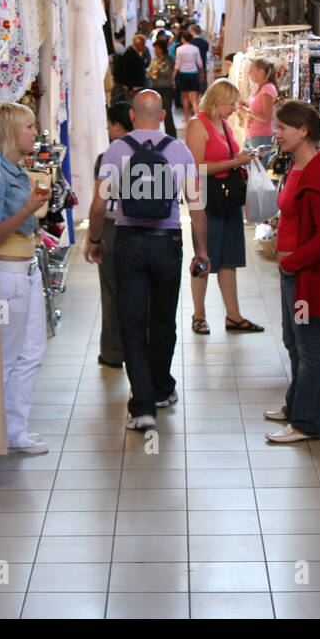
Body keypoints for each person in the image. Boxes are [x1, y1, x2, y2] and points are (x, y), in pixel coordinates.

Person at [87, 90, 210, 431]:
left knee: (132, 323)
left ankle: (142, 407)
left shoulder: (116, 150)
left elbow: (98, 207)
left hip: (128, 245)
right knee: (163, 321)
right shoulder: (179, 150)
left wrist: (96, 240)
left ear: (131, 116)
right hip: (167, 243)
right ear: (161, 116)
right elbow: (197, 209)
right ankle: (161, 388)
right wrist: (202, 252)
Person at [263, 100, 320, 443]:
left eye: (282, 129)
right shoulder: (296, 166)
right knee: (293, 341)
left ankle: (308, 423)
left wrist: (292, 261)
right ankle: (296, 405)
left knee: (308, 347)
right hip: (291, 272)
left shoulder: (317, 174)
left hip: (304, 275)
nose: (276, 134)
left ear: (303, 131)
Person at [0, 102, 54, 454]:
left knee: (32, 352)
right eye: (29, 127)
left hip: (25, 271)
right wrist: (28, 210)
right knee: (6, 355)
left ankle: (15, 429)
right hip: (7, 274)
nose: (34, 133)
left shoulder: (15, 171)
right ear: (12, 131)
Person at [184, 78, 265, 335]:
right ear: (218, 102)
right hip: (207, 198)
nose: (234, 109)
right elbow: (195, 167)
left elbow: (228, 157)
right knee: (204, 257)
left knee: (229, 259)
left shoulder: (223, 124)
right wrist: (234, 163)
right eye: (230, 104)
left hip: (228, 197)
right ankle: (199, 315)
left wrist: (245, 158)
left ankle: (233, 315)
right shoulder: (198, 124)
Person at [95, 102, 133, 369]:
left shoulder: (107, 156)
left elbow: (98, 204)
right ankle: (139, 350)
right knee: (141, 294)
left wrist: (94, 238)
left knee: (111, 292)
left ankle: (112, 351)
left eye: (110, 124)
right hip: (141, 228)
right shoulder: (149, 152)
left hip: (111, 225)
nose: (108, 129)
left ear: (119, 126)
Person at [234, 58, 280, 170]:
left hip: (261, 135)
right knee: (249, 168)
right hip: (251, 133)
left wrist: (248, 112)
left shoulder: (267, 89)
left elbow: (267, 118)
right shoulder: (256, 87)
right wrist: (246, 106)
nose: (249, 73)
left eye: (251, 70)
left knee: (258, 171)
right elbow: (257, 108)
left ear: (260, 72)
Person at [146, 38, 178, 138]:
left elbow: (168, 72)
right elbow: (149, 73)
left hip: (166, 88)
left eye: (156, 48)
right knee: (154, 112)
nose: (155, 50)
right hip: (155, 88)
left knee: (167, 112)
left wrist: (158, 72)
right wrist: (152, 74)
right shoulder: (154, 60)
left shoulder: (169, 59)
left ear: (162, 49)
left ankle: (171, 136)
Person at [174, 29, 205, 117]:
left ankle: (186, 117)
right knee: (194, 99)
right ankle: (196, 116)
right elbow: (199, 62)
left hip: (183, 74)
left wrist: (174, 74)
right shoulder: (195, 49)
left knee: (185, 98)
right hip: (194, 74)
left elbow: (178, 64)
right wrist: (202, 73)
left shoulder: (179, 49)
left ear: (183, 39)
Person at [112, 33, 150, 103]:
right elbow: (128, 72)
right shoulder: (129, 54)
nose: (144, 47)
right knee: (132, 104)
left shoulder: (137, 53)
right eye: (143, 44)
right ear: (137, 44)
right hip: (132, 87)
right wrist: (130, 88)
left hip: (137, 85)